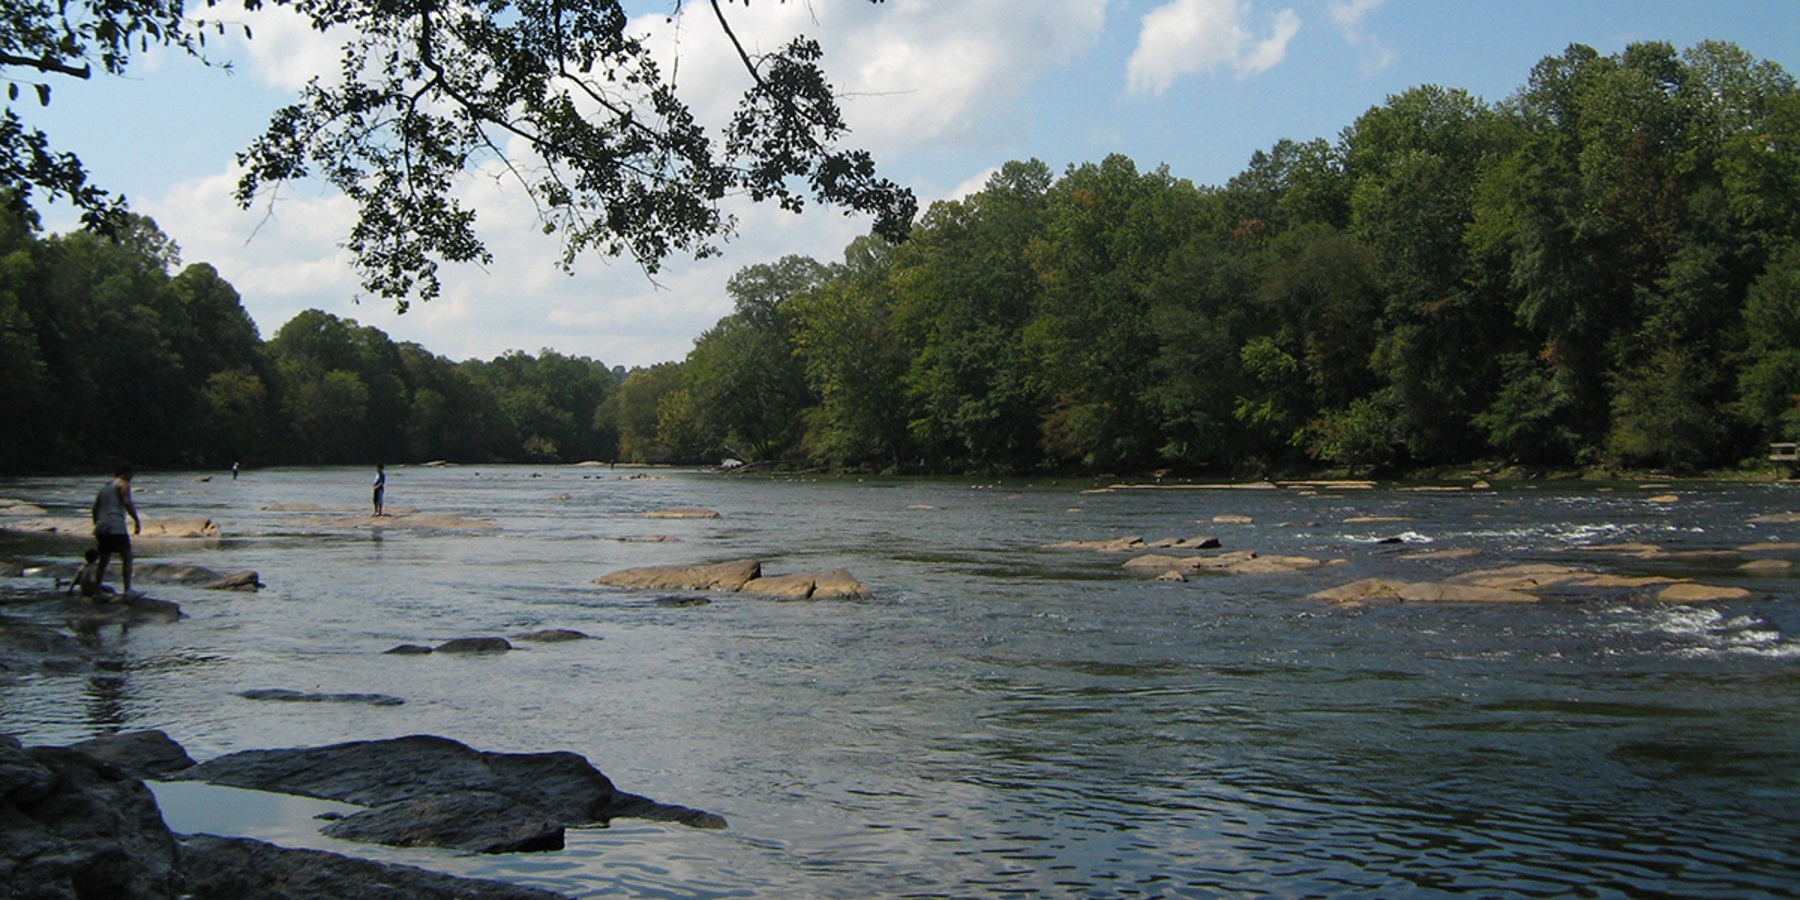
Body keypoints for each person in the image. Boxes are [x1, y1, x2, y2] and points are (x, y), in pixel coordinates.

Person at [91, 465, 142, 597]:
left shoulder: (105, 487)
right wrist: (136, 520)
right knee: (127, 556)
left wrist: (97, 523)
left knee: (103, 559)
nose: (132, 478)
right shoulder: (123, 484)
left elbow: (95, 508)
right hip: (115, 525)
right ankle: (127, 590)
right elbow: (126, 501)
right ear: (125, 473)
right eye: (131, 474)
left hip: (102, 526)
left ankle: (97, 591)